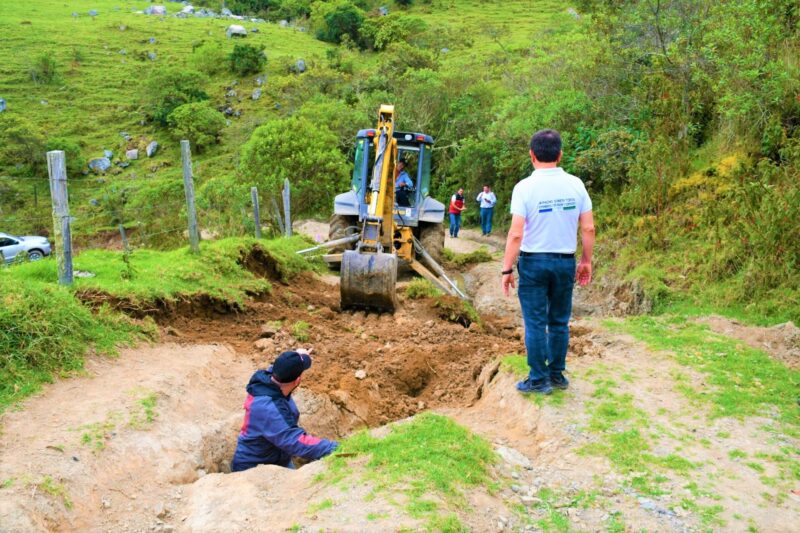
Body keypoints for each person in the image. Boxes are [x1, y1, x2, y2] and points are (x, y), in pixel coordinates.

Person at [501, 129, 595, 395]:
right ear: (560, 154)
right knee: (559, 321)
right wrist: (586, 261)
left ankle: (538, 379)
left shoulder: (524, 188)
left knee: (535, 322)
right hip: (565, 261)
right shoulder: (576, 185)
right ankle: (556, 375)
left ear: (532, 155)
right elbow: (588, 228)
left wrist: (507, 268)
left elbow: (516, 233)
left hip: (533, 263)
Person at [231, 349, 338, 471]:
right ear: (297, 381)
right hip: (255, 468)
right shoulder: (268, 409)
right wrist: (335, 448)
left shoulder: (272, 378)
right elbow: (296, 442)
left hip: (278, 458)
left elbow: (284, 364)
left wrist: (300, 355)